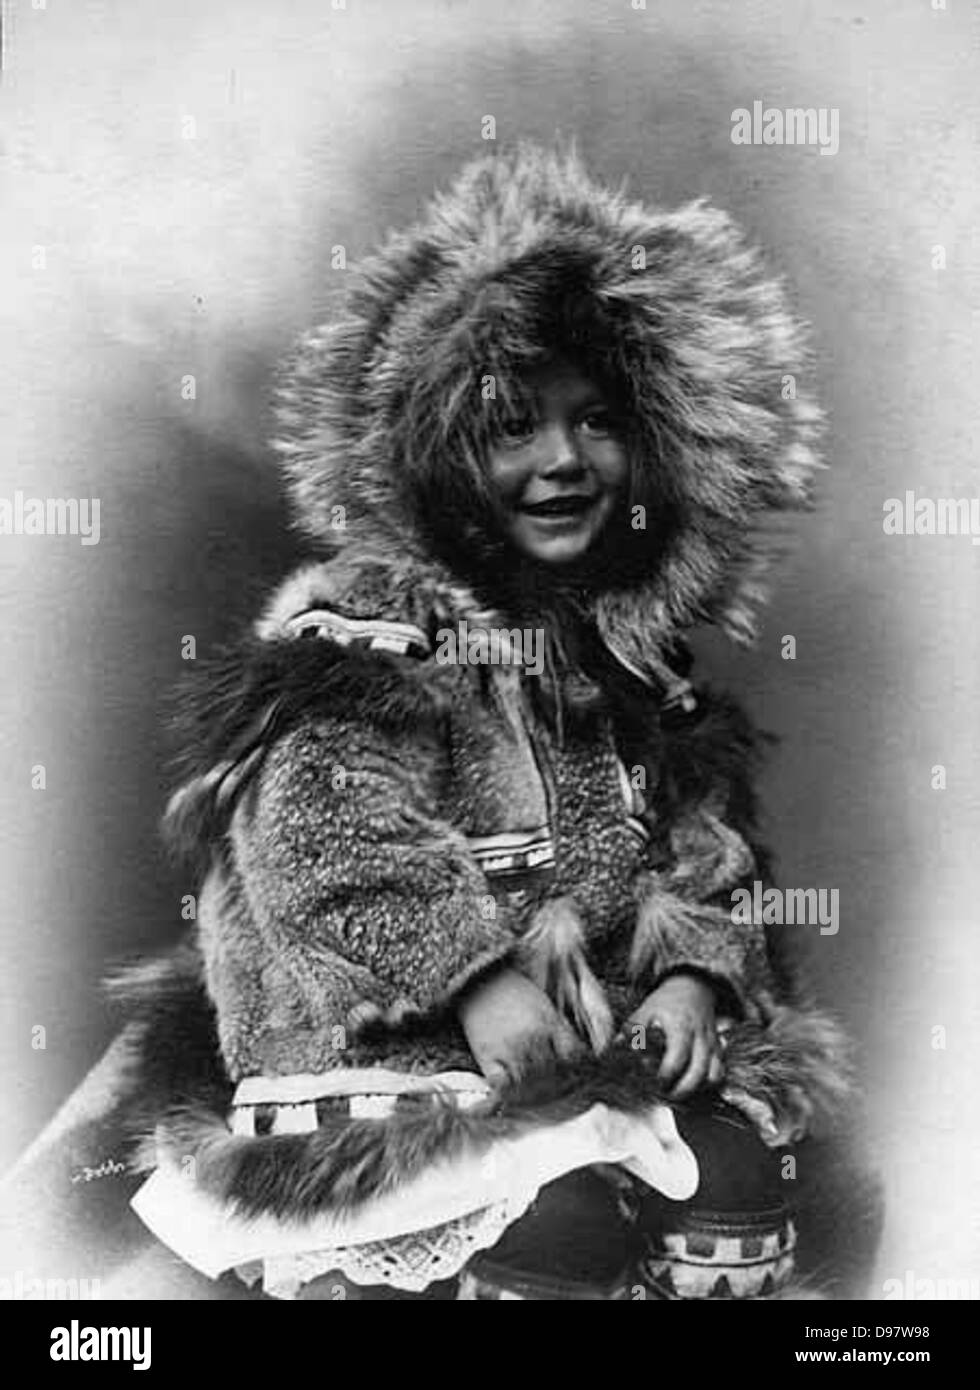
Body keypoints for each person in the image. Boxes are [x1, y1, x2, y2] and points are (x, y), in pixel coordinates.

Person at [0, 144, 879, 1300]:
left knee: (728, 1184)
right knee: (540, 1215)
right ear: (436, 455)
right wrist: (476, 979)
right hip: (397, 1046)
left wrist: (691, 980)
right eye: (511, 424)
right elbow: (325, 839)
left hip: (593, 1042)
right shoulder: (366, 629)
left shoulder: (623, 656)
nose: (561, 460)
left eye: (599, 421)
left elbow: (700, 846)